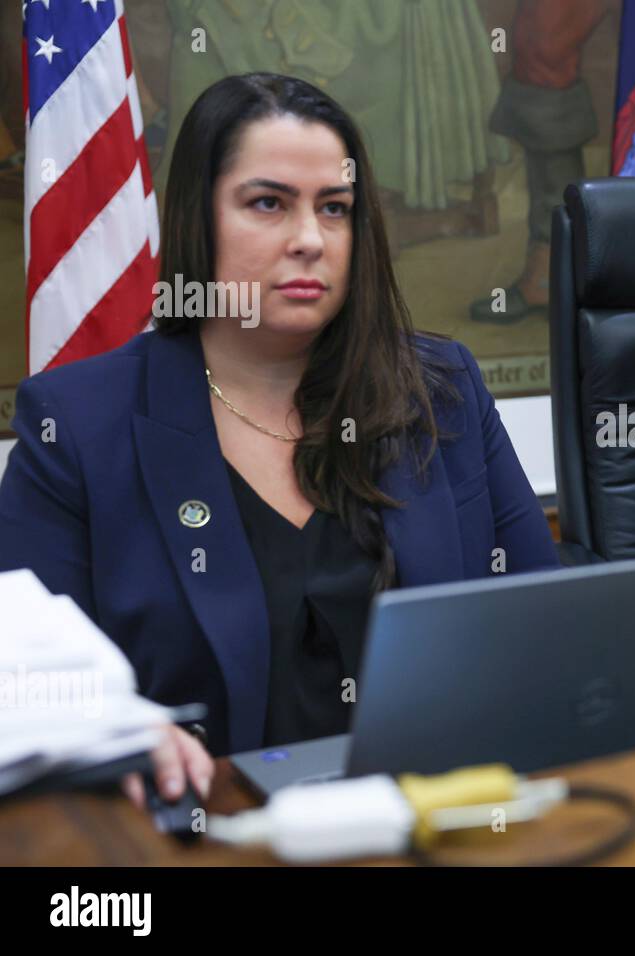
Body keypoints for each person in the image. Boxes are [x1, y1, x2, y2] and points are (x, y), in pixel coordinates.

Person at [0, 73, 558, 808]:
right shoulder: (75, 424)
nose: (309, 240)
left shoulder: (440, 389)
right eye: (268, 204)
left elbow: (545, 626)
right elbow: (27, 691)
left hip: (432, 827)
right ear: (199, 218)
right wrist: (111, 729)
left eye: (335, 209)